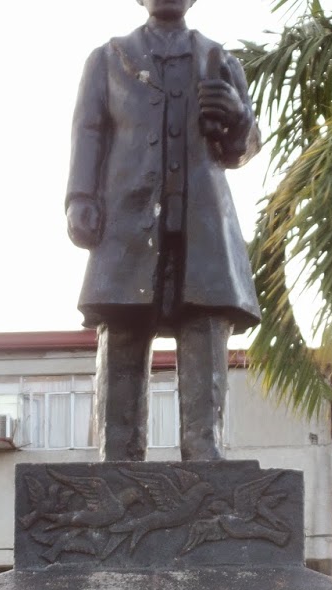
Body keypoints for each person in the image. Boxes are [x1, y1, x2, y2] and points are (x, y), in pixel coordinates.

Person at [67, 0, 262, 461]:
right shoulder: (109, 58)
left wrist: (237, 116)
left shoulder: (219, 58)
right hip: (127, 218)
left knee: (205, 323)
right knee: (123, 326)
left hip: (202, 220)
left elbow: (241, 149)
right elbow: (89, 130)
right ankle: (119, 452)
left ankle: (204, 446)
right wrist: (80, 197)